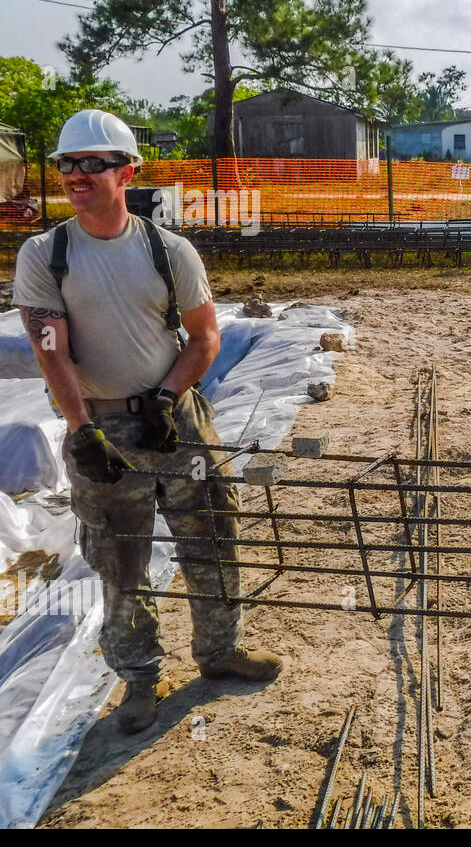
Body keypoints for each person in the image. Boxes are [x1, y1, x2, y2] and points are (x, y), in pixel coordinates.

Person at [12, 109, 281, 734]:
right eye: (67, 165)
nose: (77, 175)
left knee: (212, 536)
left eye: (93, 164)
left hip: (177, 418)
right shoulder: (44, 255)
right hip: (101, 428)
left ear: (126, 171)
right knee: (118, 561)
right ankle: (138, 680)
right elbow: (51, 349)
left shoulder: (169, 250)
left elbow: (205, 336)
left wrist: (166, 397)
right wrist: (82, 431)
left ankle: (220, 651)